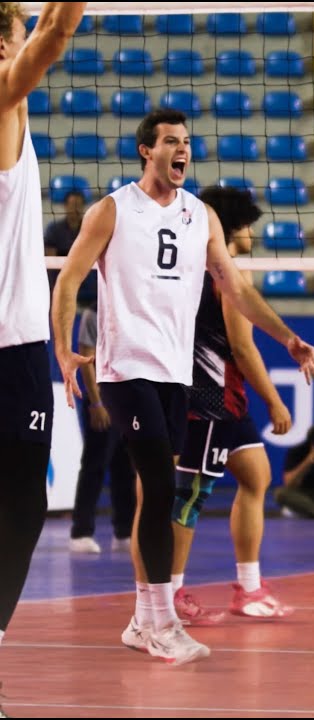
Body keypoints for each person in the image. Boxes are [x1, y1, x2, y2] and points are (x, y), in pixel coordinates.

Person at [51, 108, 314, 666]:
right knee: (157, 479)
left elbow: (236, 289)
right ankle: (160, 619)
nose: (183, 151)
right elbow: (69, 280)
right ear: (145, 151)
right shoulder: (113, 210)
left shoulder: (202, 217)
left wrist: (290, 338)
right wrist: (62, 348)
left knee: (165, 489)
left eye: (187, 142)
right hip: (126, 370)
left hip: (177, 375)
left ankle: (139, 620)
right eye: (171, 142)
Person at [0, 0, 87, 674]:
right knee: (23, 501)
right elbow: (57, 33)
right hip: (10, 345)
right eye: (16, 31)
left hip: (20, 342)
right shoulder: (4, 96)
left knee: (23, 502)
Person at [166, 186, 297, 626]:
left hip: (226, 397)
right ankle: (170, 595)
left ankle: (248, 586)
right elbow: (243, 347)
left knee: (256, 476)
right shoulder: (226, 274)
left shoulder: (199, 266)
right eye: (247, 226)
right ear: (229, 226)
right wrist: (276, 401)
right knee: (189, 498)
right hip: (208, 398)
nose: (252, 234)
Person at [68, 301, 136, 554]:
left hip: (125, 399)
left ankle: (124, 532)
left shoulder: (128, 308)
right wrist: (96, 402)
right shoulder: (92, 314)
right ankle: (81, 532)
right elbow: (86, 360)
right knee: (95, 466)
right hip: (103, 399)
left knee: (125, 469)